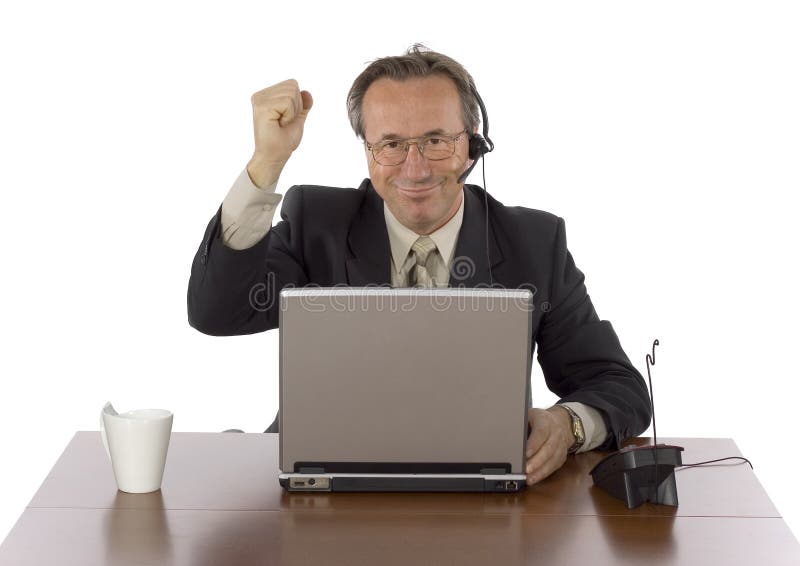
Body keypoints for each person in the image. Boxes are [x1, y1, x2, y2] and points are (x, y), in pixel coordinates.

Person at [187, 45, 651, 486]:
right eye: (391, 144)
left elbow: (619, 386)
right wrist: (267, 162)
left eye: (435, 140)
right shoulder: (317, 223)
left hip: (482, 491)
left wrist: (567, 424)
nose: (415, 169)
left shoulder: (534, 242)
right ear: (367, 151)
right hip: (321, 479)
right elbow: (216, 312)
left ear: (472, 144)